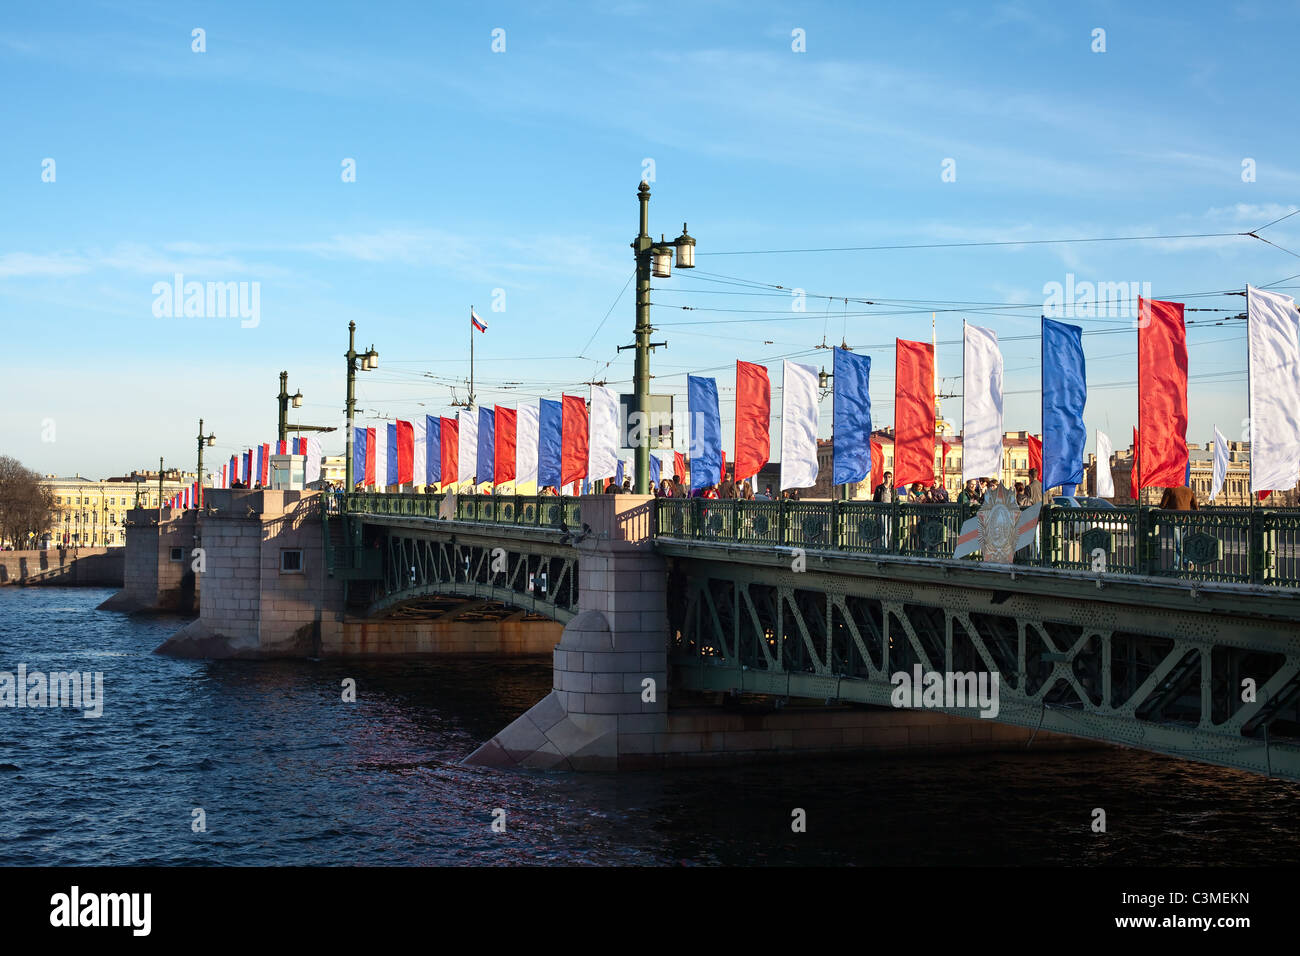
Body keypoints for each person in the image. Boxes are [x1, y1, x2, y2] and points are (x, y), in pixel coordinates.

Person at [1159, 484, 1198, 570]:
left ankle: (1181, 564)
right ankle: (1183, 563)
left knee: (1178, 544)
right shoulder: (1189, 490)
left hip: (1175, 520)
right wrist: (1197, 519)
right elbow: (1195, 506)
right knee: (1181, 543)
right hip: (1186, 520)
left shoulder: (1170, 489)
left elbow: (1162, 505)